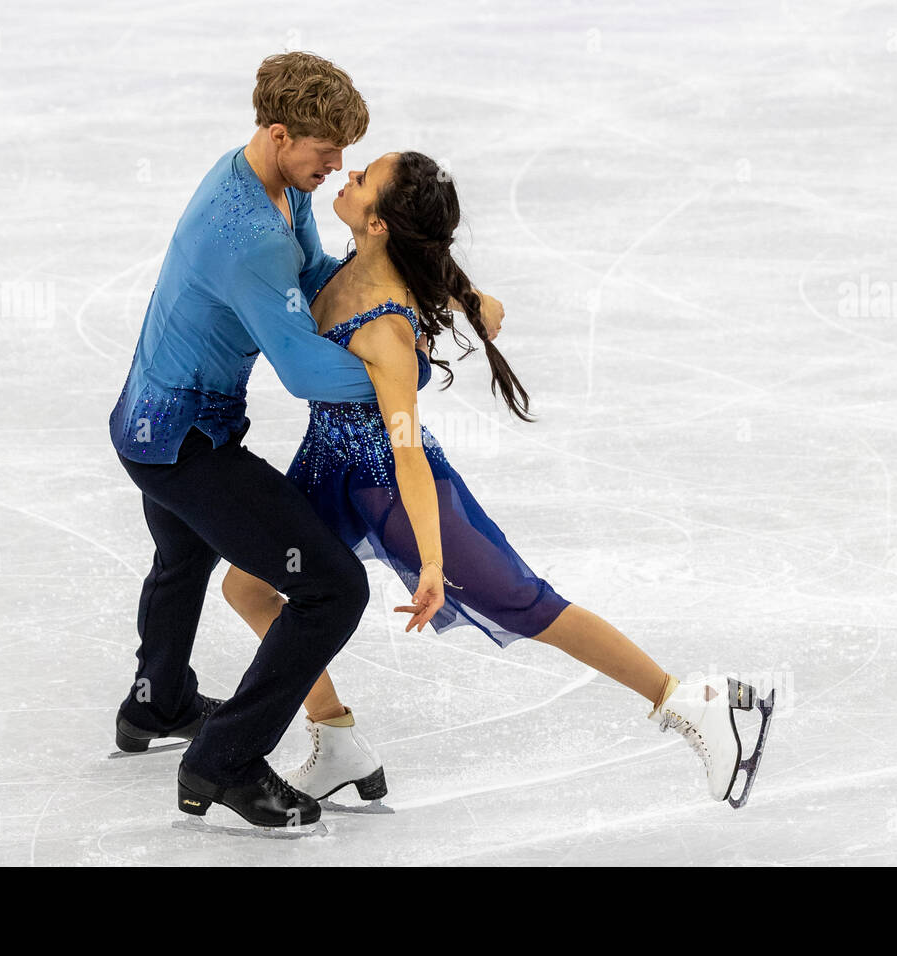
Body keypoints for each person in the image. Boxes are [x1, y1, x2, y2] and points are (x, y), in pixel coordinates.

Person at [221, 151, 776, 810]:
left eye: (362, 178)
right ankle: (335, 734)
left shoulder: (387, 330)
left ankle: (690, 702)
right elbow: (423, 253)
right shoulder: (362, 261)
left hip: (387, 488)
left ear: (379, 226)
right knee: (248, 587)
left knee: (521, 599)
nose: (349, 177)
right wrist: (470, 297)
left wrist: (430, 561)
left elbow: (407, 455)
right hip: (325, 466)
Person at [107, 53, 448, 829]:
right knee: (331, 590)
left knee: (186, 552)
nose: (338, 166)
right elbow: (301, 367)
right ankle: (221, 762)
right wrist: (405, 373)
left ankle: (156, 704)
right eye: (326, 151)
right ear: (277, 131)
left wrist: (410, 298)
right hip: (182, 444)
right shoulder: (250, 234)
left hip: (155, 417)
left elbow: (318, 280)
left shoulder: (271, 183)